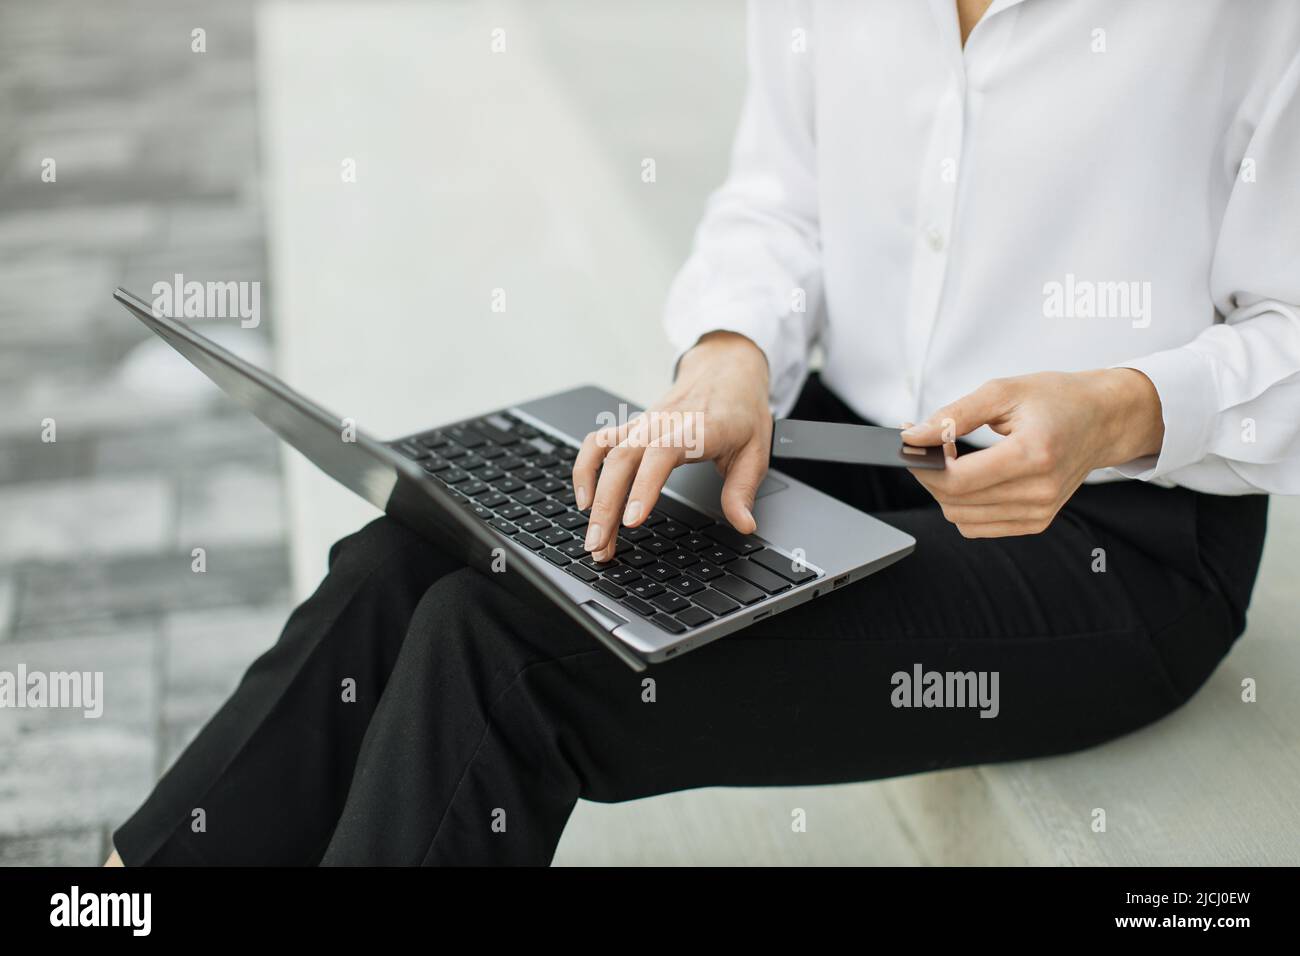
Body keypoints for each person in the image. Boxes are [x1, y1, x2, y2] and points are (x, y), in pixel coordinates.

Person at [108, 0, 1296, 865]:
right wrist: (727, 359)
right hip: (842, 444)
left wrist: (1117, 408)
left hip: (1118, 536)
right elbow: (777, 195)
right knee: (410, 552)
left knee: (501, 651)